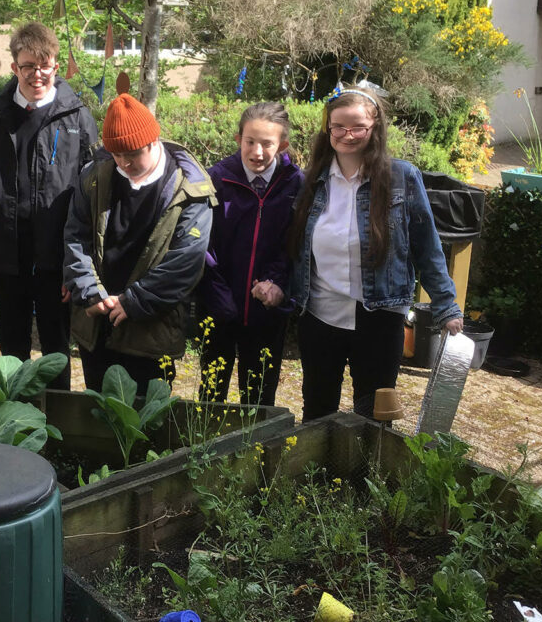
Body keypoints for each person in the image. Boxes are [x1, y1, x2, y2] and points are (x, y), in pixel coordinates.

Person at [288, 84, 463, 421]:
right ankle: (316, 475)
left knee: (373, 413)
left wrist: (445, 305)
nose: (347, 135)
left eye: (358, 127)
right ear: (328, 129)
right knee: (317, 408)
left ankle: (365, 474)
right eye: (338, 126)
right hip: (320, 314)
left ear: (375, 128)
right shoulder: (311, 181)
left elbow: (427, 247)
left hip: (381, 316)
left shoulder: (402, 177)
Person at [0, 22, 97, 388]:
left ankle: (57, 424)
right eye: (28, 66)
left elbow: (93, 196)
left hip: (56, 261)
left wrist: (79, 265)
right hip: (7, 256)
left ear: (56, 66)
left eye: (44, 65)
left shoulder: (77, 117)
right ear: (15, 67)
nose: (37, 74)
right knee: (13, 347)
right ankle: (14, 423)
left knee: (55, 349)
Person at [63, 92, 215, 396]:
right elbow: (74, 236)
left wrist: (133, 302)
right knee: (100, 412)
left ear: (152, 141)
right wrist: (91, 292)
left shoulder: (192, 190)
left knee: (147, 423)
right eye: (116, 154)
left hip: (150, 331)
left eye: (132, 153)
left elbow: (186, 262)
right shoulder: (93, 176)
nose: (124, 162)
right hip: (98, 322)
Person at [198, 102, 304, 406]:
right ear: (238, 140)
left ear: (282, 145)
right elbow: (201, 245)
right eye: (250, 142)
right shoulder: (216, 179)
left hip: (266, 313)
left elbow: (295, 245)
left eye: (267, 144)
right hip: (218, 308)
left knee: (258, 399)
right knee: (211, 394)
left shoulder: (296, 184)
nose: (257, 152)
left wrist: (277, 284)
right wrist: (219, 297)